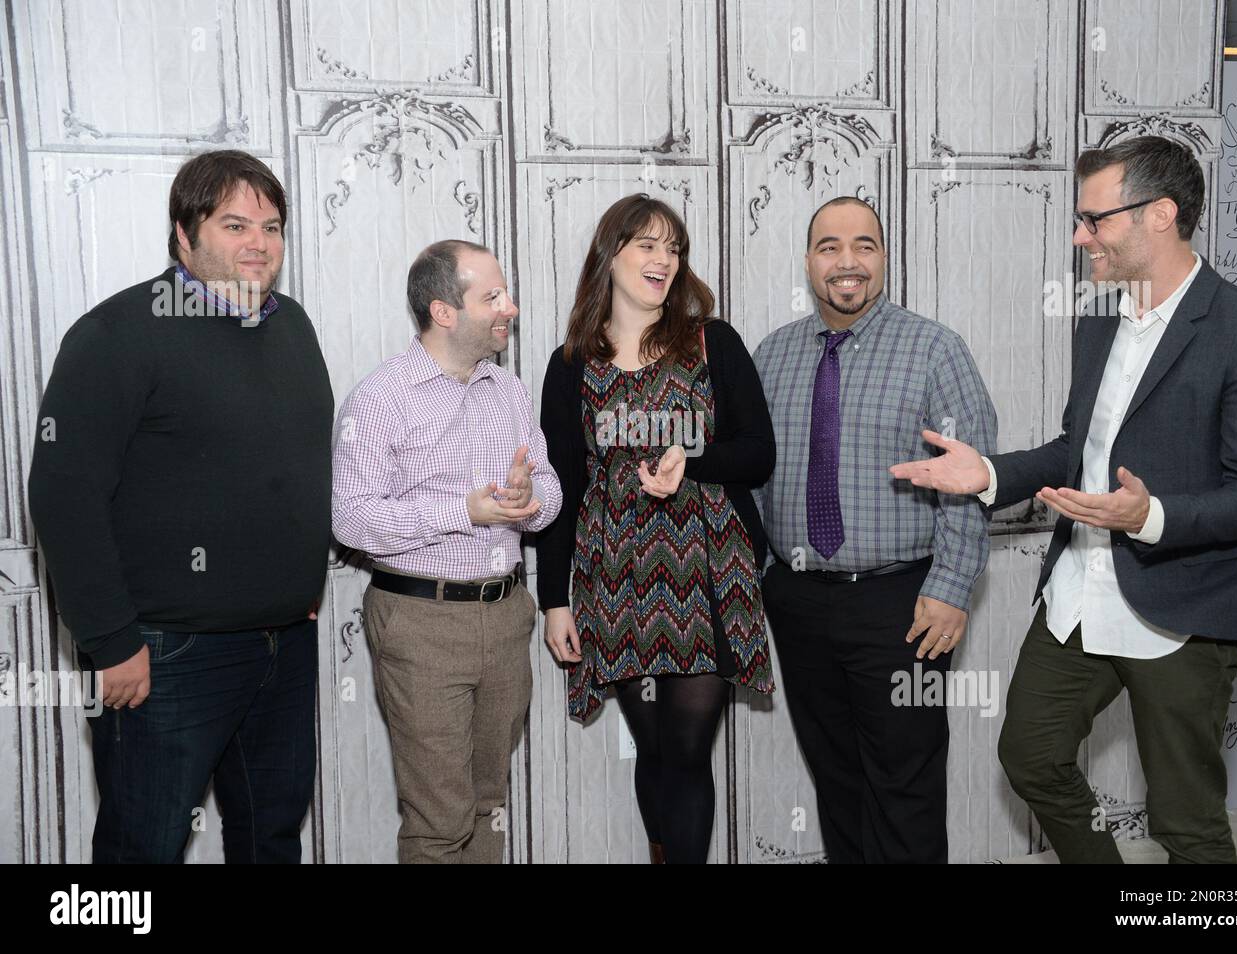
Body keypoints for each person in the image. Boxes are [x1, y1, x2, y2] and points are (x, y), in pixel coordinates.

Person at [891, 136, 1237, 863]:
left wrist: (1152, 516)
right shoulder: (1099, 320)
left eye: (1095, 220)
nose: (1080, 237)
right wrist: (985, 473)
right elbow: (1077, 450)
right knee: (1031, 757)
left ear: (1161, 214)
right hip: (1078, 593)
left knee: (1186, 824)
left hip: (1184, 607)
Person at [28, 149, 332, 863]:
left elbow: (293, 467)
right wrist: (111, 641)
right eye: (234, 224)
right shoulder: (116, 334)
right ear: (183, 233)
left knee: (272, 839)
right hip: (164, 655)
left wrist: (299, 586)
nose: (259, 242)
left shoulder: (293, 326)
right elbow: (62, 496)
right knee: (143, 849)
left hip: (283, 644)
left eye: (272, 225)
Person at [753, 196, 997, 864]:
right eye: (829, 246)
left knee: (904, 786)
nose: (847, 262)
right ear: (809, 261)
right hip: (799, 602)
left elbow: (970, 479)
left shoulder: (935, 350)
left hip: (901, 605)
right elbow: (750, 477)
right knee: (837, 782)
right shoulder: (771, 356)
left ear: (884, 258)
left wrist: (950, 586)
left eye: (864, 245)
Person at [536, 194, 776, 864]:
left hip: (710, 575)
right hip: (614, 580)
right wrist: (555, 600)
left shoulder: (712, 342)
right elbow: (561, 488)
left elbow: (759, 453)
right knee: (657, 747)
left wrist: (693, 457)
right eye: (647, 244)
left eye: (673, 248)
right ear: (611, 254)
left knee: (691, 748)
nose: (663, 259)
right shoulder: (571, 364)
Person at [332, 239, 560, 863]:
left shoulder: (508, 393)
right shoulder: (379, 399)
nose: (509, 306)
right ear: (444, 311)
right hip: (421, 623)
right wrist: (463, 510)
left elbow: (552, 487)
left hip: (509, 616)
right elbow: (352, 519)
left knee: (490, 805)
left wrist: (529, 497)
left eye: (505, 292)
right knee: (439, 817)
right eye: (492, 296)